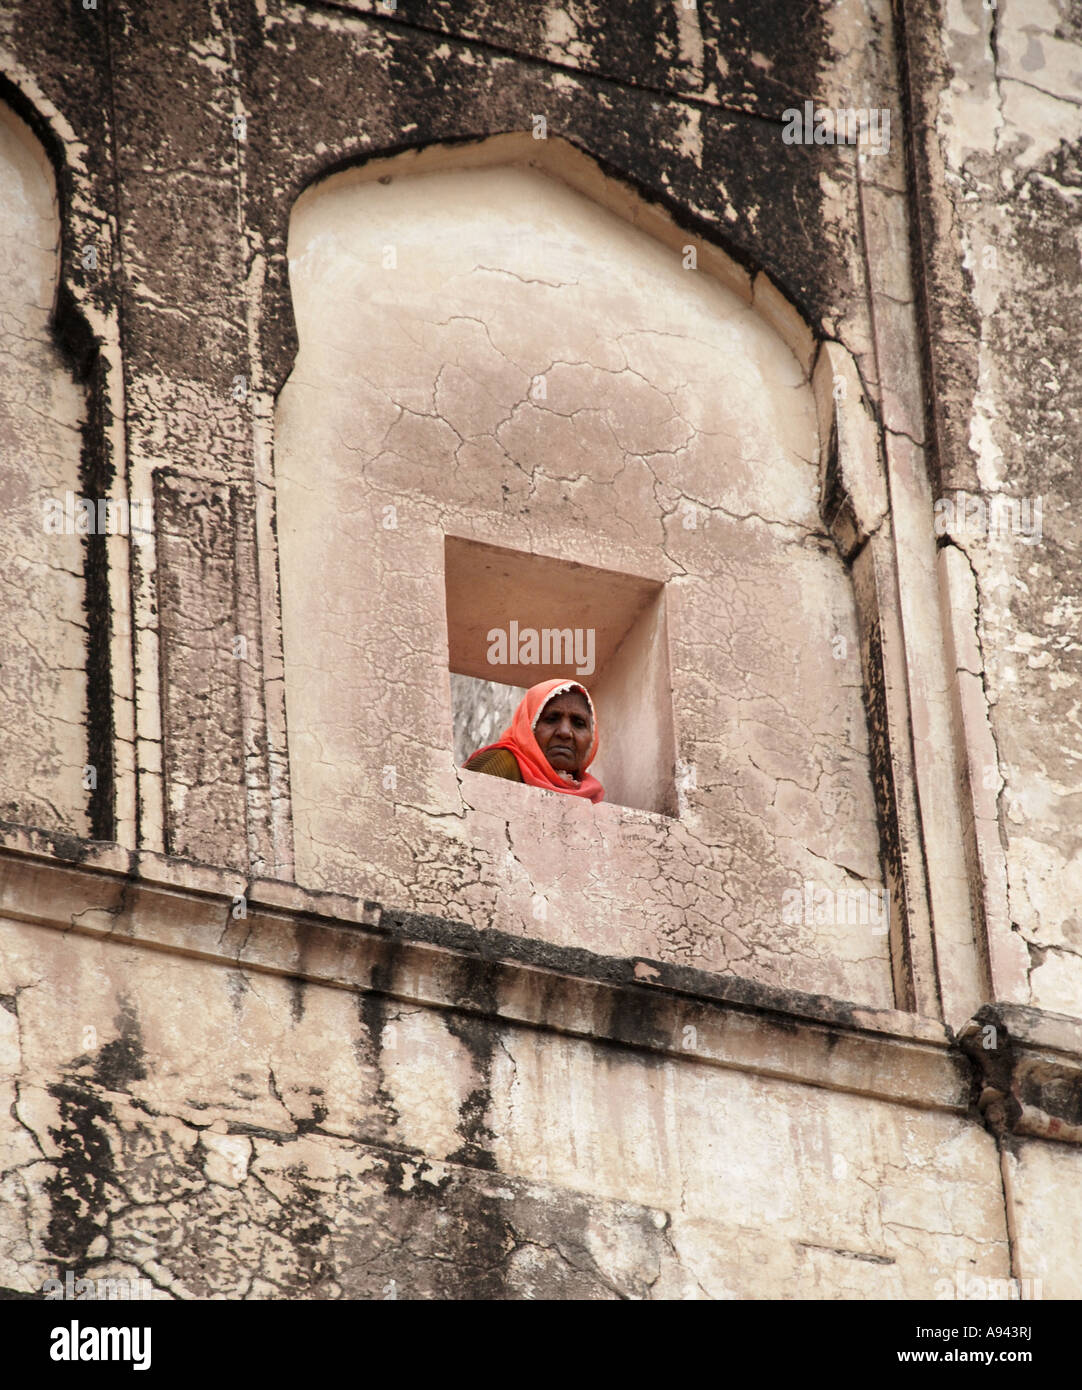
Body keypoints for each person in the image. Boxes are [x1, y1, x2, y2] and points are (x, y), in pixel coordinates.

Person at [462, 679, 604, 803]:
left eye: (578, 723)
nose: (565, 732)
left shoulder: (591, 796)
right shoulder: (502, 763)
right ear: (528, 726)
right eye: (551, 719)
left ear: (592, 738)